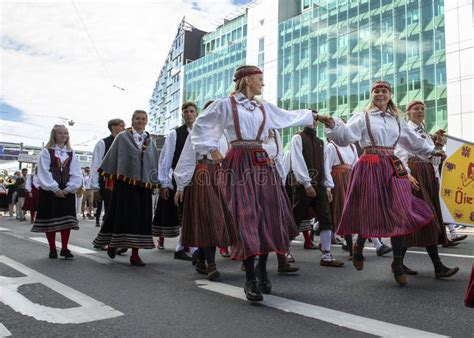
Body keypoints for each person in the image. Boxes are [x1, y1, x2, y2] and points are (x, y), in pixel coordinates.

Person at [191, 65, 319, 301]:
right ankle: (250, 276)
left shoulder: (263, 107)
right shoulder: (225, 104)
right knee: (246, 216)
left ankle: (262, 268)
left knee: (269, 217)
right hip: (238, 161)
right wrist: (211, 150)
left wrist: (315, 117)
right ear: (248, 80)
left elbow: (287, 116)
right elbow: (202, 126)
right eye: (260, 79)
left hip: (262, 161)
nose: (263, 84)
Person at [319, 80, 446, 286]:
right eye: (377, 91)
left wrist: (433, 150)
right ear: (372, 95)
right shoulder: (363, 116)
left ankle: (397, 263)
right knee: (370, 211)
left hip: (391, 165)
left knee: (400, 212)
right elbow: (345, 137)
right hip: (369, 164)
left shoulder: (396, 120)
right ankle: (358, 246)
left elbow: (412, 141)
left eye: (384, 91)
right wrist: (333, 124)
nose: (380, 94)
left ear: (390, 94)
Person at [395, 100, 459, 279]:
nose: (420, 111)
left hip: (427, 175)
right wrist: (407, 175)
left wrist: (438, 145)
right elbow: (400, 155)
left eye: (422, 109)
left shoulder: (424, 133)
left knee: (415, 223)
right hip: (416, 175)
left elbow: (435, 160)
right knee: (428, 218)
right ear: (408, 112)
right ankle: (438, 267)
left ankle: (398, 262)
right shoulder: (406, 130)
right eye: (416, 109)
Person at [93, 110, 159, 266]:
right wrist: (103, 184)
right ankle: (113, 243)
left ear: (147, 121)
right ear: (132, 120)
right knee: (122, 216)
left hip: (143, 187)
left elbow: (154, 163)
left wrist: (156, 181)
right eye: (137, 119)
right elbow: (112, 158)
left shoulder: (151, 141)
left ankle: (135, 254)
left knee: (140, 219)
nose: (140, 121)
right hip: (124, 186)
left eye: (143, 119)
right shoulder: (122, 137)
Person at [173, 130, 236, 280]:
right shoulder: (197, 132)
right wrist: (181, 186)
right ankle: (211, 264)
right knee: (208, 216)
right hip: (203, 172)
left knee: (216, 218)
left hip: (220, 173)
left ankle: (201, 259)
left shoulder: (225, 133)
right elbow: (187, 158)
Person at [289, 121, 344, 268]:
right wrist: (306, 183)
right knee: (296, 217)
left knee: (326, 219)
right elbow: (297, 162)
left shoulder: (321, 142)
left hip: (319, 185)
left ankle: (326, 255)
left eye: (315, 119)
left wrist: (328, 187)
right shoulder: (297, 138)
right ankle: (285, 251)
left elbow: (326, 165)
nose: (313, 121)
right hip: (302, 186)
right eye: (309, 118)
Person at [153, 102, 198, 260]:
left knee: (192, 212)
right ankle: (188, 247)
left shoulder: (201, 132)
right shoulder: (175, 134)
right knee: (187, 213)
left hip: (199, 178)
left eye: (191, 111)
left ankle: (184, 246)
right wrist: (164, 182)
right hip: (179, 178)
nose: (189, 114)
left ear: (196, 113)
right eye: (186, 111)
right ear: (182, 114)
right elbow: (165, 159)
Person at [31, 125, 82, 259]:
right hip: (49, 190)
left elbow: (76, 172)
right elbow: (43, 171)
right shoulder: (47, 151)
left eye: (65, 133)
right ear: (54, 135)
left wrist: (69, 188)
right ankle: (52, 248)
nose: (63, 135)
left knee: (67, 220)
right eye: (60, 133)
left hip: (66, 189)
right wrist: (54, 188)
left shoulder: (71, 152)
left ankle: (64, 248)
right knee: (50, 219)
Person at [263, 129, 299, 273]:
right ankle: (250, 258)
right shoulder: (252, 131)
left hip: (273, 177)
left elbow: (279, 156)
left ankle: (282, 261)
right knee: (261, 219)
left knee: (279, 218)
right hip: (257, 176)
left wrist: (281, 179)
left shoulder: (275, 132)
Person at [90, 118, 126, 227]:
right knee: (110, 210)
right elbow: (96, 165)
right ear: (114, 128)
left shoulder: (127, 143)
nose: (124, 128)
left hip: (123, 182)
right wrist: (95, 187)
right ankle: (107, 235)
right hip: (108, 183)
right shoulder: (102, 143)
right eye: (122, 126)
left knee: (122, 210)